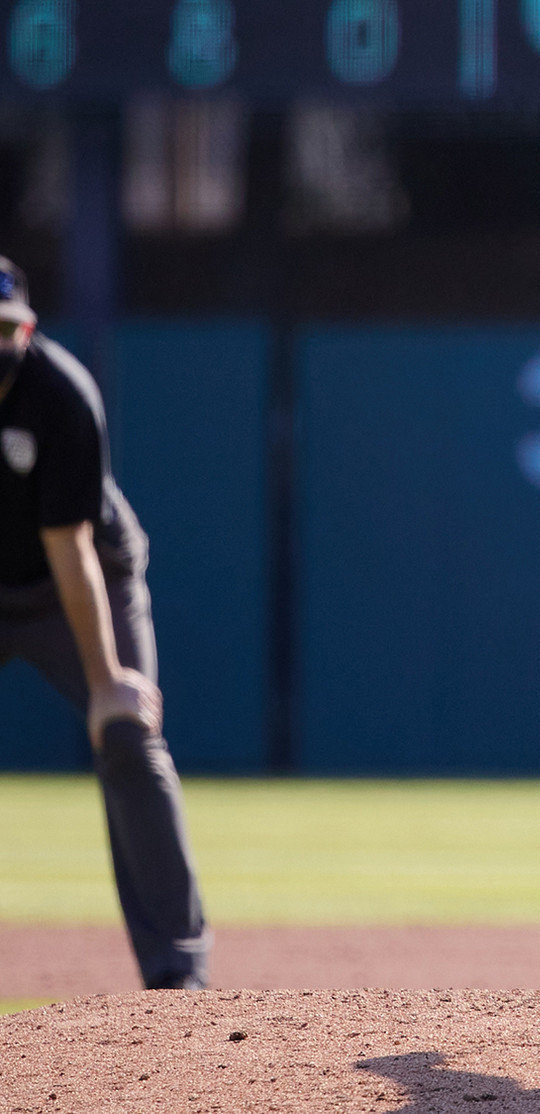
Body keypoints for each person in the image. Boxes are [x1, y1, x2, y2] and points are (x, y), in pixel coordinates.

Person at [0, 257, 210, 990]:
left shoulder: (59, 395)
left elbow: (71, 546)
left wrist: (105, 683)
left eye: (3, 329)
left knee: (127, 731)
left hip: (80, 578)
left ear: (26, 329)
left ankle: (178, 977)